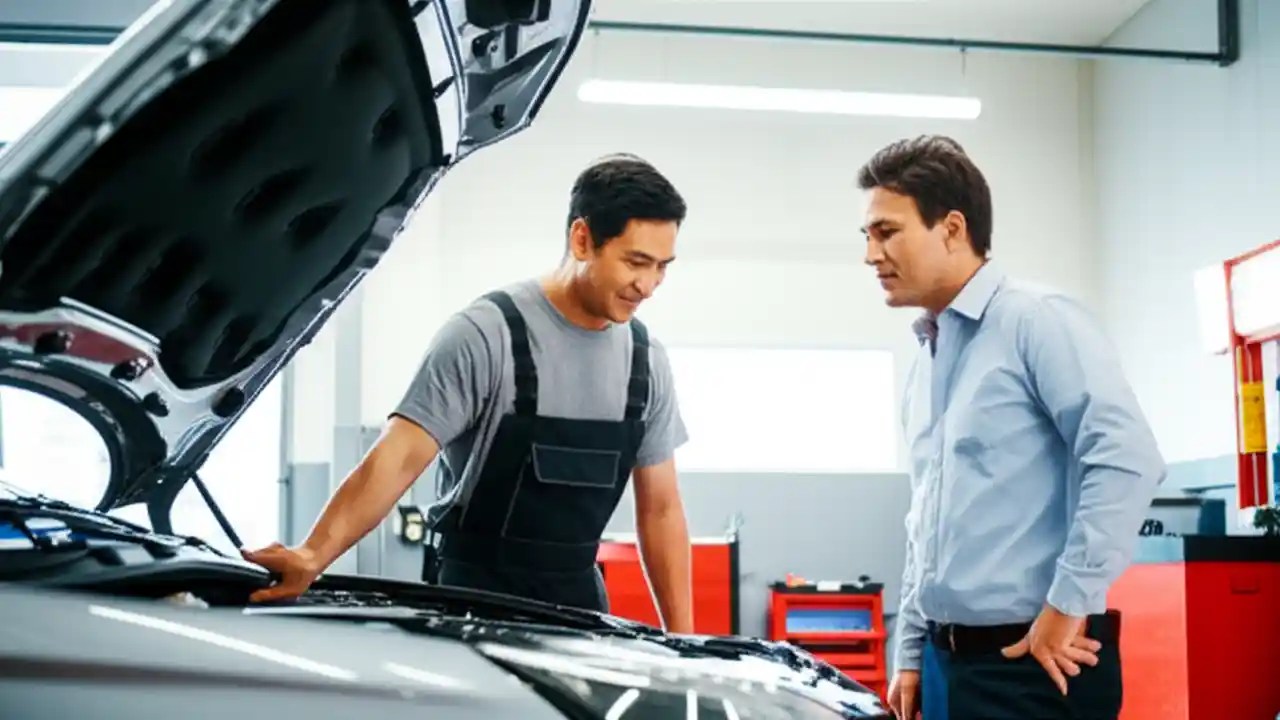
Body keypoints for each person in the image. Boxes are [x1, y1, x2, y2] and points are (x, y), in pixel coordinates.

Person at [241, 153, 695, 633]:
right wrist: (314, 553)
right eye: (635, 262)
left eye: (662, 267)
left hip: (577, 607)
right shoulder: (485, 335)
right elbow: (395, 458)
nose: (648, 285)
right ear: (582, 239)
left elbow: (661, 508)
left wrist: (685, 640)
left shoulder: (646, 362)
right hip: (470, 600)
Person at [858, 135, 1166, 720]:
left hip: (1035, 661)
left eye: (887, 232)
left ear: (952, 228)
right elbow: (925, 521)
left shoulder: (1037, 322)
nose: (871, 254)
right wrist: (912, 652)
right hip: (950, 670)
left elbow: (1127, 458)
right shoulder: (927, 359)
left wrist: (1067, 604)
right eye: (867, 236)